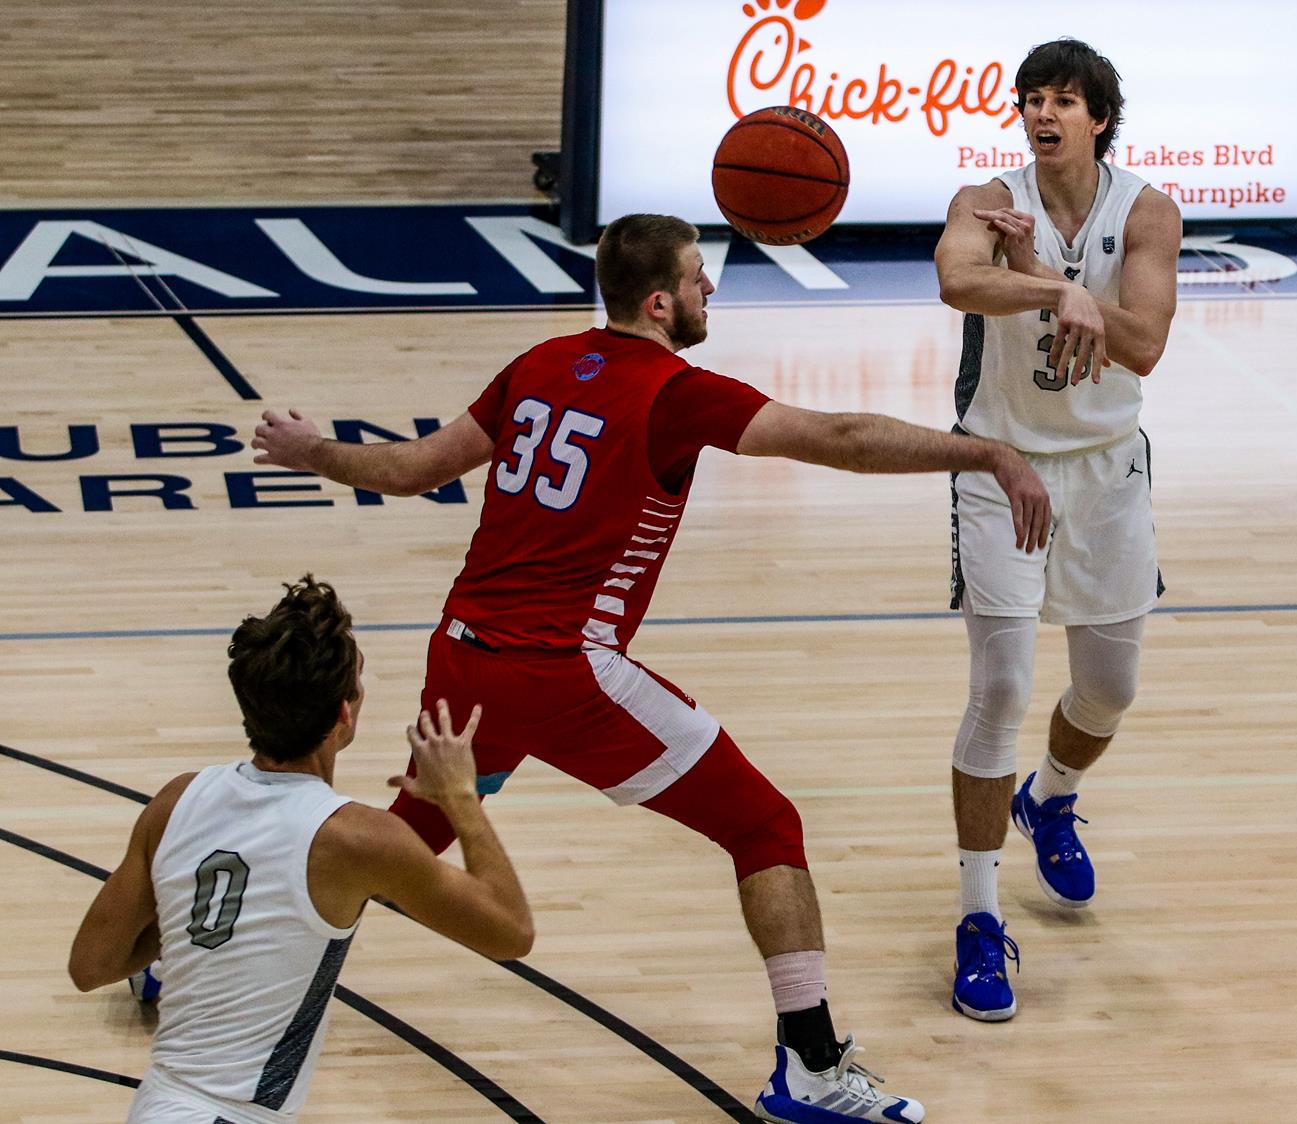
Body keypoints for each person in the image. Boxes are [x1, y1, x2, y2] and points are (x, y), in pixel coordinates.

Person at [249, 213, 1053, 1124]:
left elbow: (409, 469)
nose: (712, 290)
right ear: (662, 301)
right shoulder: (677, 392)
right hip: (563, 671)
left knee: (409, 838)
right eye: (700, 278)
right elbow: (838, 435)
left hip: (464, 652)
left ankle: (217, 944)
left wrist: (312, 450)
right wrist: (985, 452)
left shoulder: (540, 363)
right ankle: (814, 1068)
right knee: (764, 825)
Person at [68, 575, 534, 1124]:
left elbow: (91, 965)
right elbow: (510, 932)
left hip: (160, 1102)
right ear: (344, 713)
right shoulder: (356, 839)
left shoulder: (178, 799)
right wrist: (461, 798)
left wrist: (200, 938)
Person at [931, 38, 1181, 1021]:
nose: (1043, 113)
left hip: (1109, 466)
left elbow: (1146, 343)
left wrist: (1069, 283)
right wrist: (1049, 283)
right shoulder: (985, 199)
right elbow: (958, 279)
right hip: (1002, 463)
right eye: (1032, 97)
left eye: (1063, 99)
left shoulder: (1147, 211)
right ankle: (979, 917)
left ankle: (1050, 795)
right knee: (999, 683)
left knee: (1108, 688)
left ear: (1098, 117)